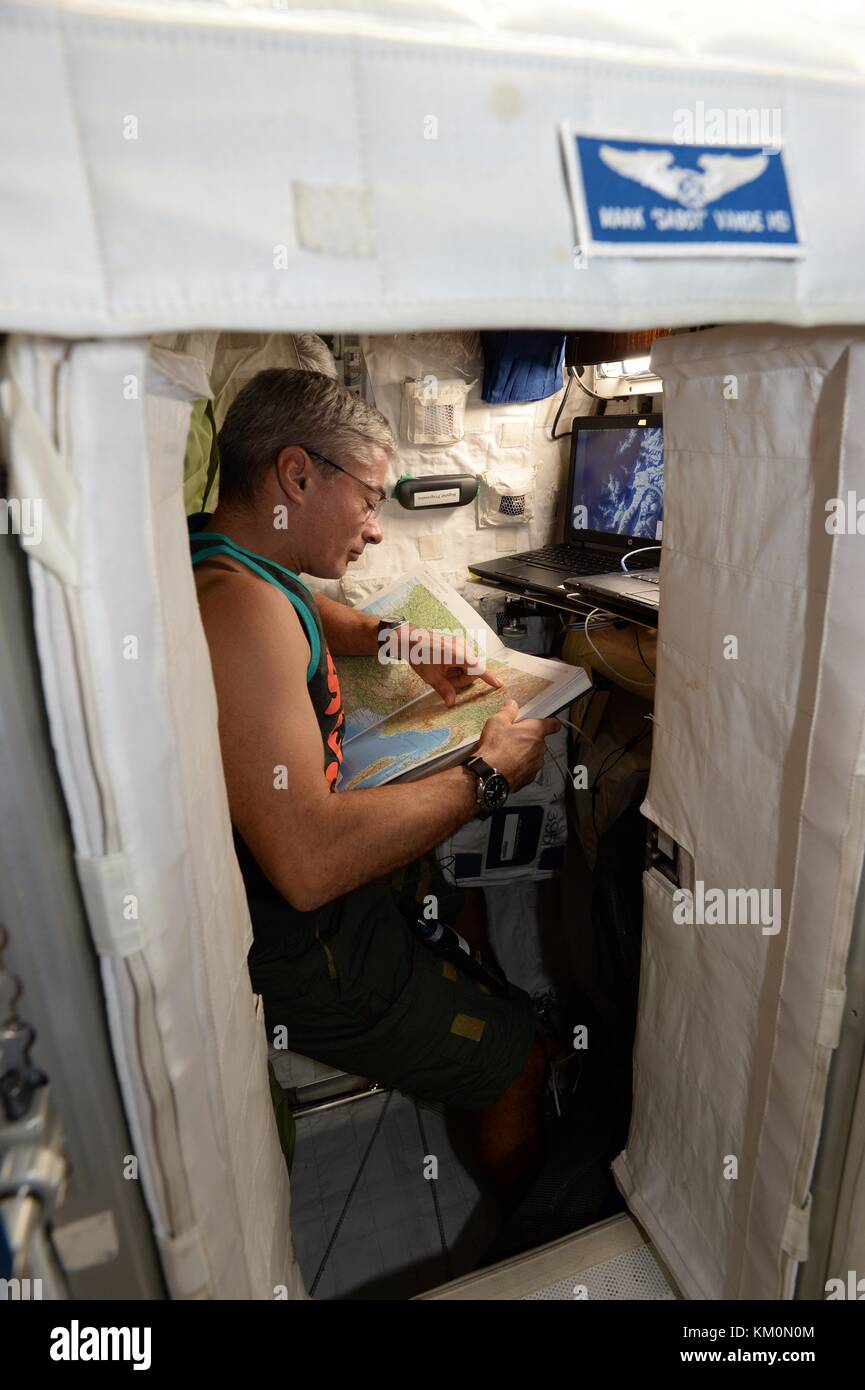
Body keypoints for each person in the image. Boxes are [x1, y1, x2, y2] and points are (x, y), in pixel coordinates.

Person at [189, 368, 560, 1205]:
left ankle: (470, 1003)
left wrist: (402, 642)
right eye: (369, 499)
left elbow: (324, 616)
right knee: (515, 1062)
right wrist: (487, 778)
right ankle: (525, 1220)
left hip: (303, 904)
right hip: (296, 938)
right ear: (296, 474)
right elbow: (310, 864)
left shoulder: (227, 555)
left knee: (452, 895)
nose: (374, 531)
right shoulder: (239, 612)